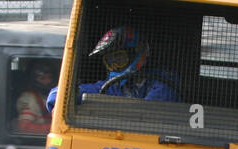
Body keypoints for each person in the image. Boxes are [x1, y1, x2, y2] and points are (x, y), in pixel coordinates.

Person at [47, 25, 180, 113]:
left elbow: (145, 113)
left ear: (137, 52)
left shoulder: (164, 81)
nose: (115, 65)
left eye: (119, 58)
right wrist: (63, 98)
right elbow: (58, 94)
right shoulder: (114, 87)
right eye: (110, 61)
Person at [15, 60, 58, 134]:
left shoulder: (51, 96)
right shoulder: (30, 99)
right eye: (42, 78)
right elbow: (24, 127)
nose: (47, 81)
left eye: (49, 77)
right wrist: (52, 128)